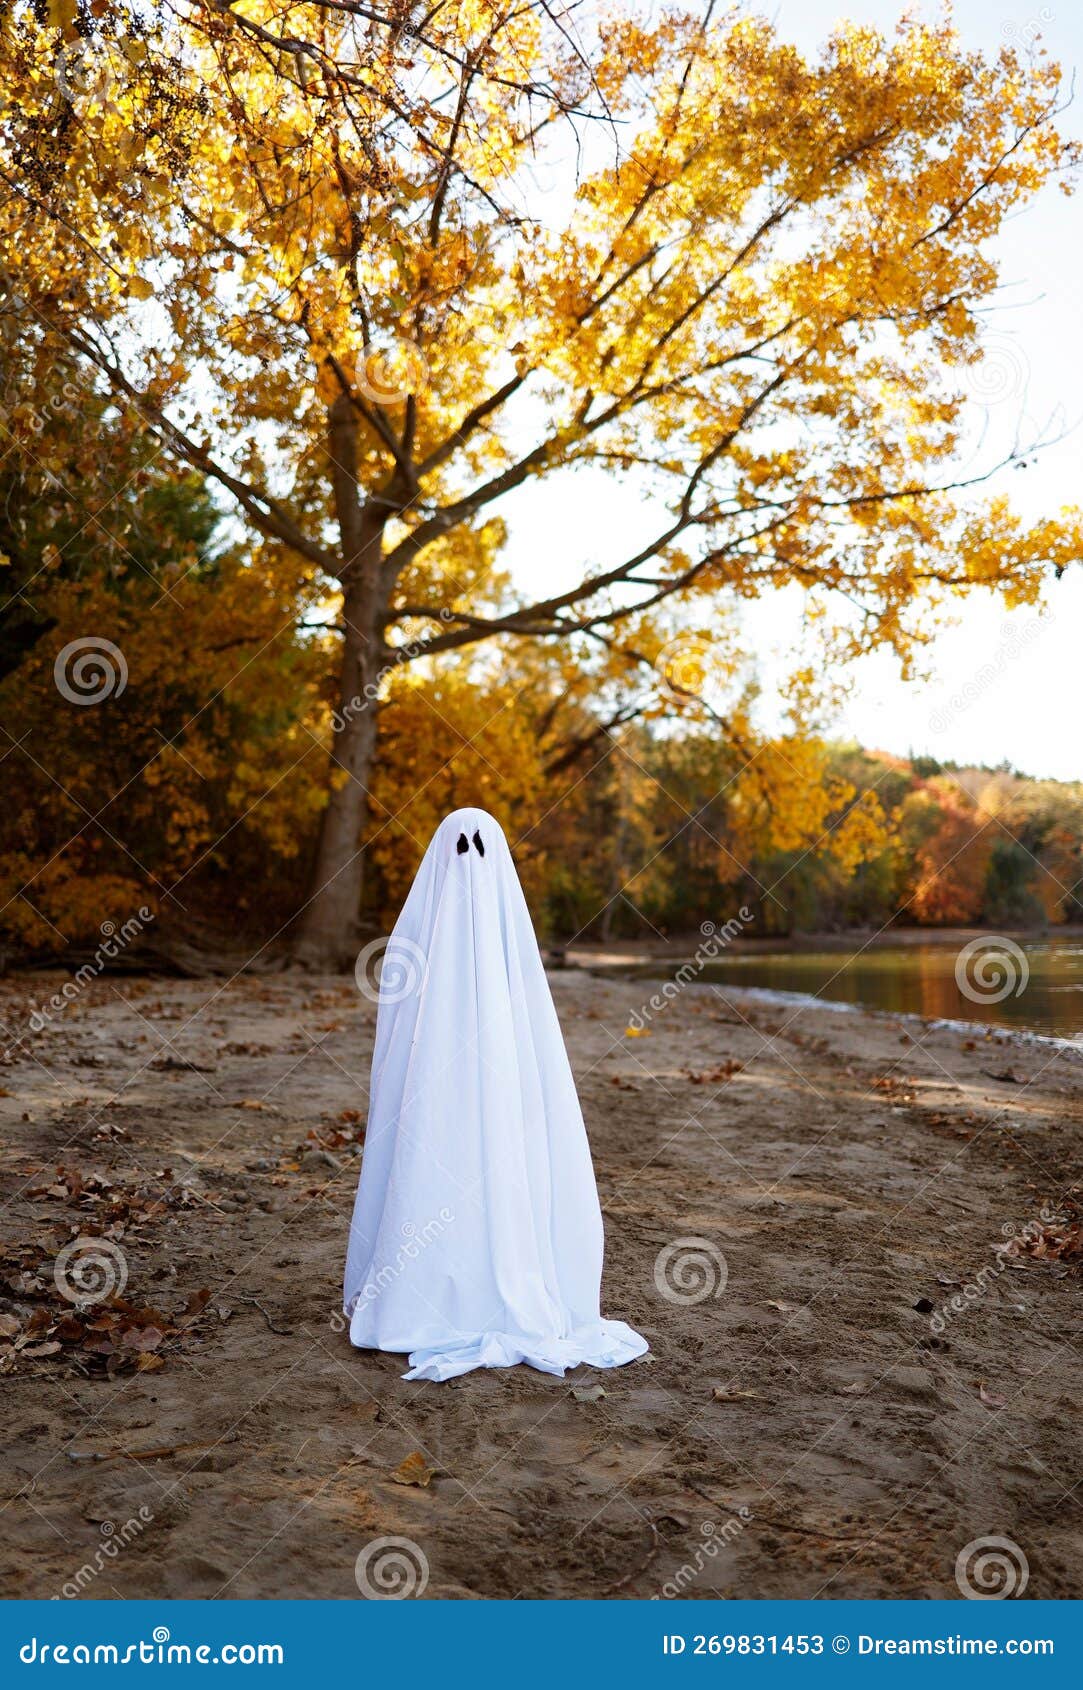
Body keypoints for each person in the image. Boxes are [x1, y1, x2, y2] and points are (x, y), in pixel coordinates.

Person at [343, 806, 648, 1382]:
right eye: (459, 849)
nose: (470, 863)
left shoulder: (509, 948)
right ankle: (428, 1288)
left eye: (480, 849)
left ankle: (485, 1283)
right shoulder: (418, 945)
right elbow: (398, 1044)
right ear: (439, 859)